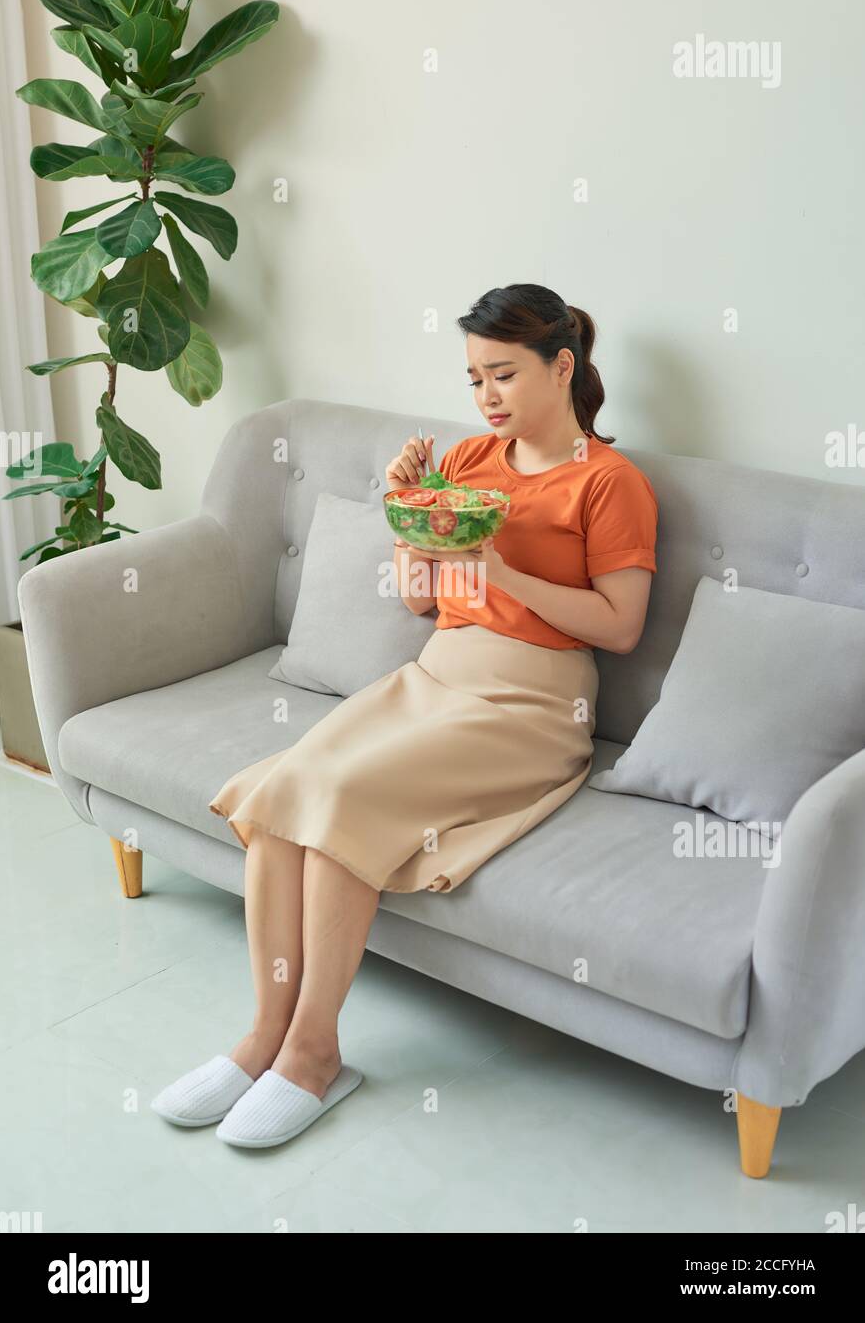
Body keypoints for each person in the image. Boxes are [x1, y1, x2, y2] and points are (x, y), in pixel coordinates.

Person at [151, 283, 659, 1149]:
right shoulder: (464, 464)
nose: (485, 397)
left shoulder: (609, 483)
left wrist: (499, 570)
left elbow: (619, 626)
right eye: (472, 380)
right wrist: (410, 521)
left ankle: (314, 1054)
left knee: (342, 797)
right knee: (285, 793)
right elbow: (425, 602)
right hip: (435, 677)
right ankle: (262, 1040)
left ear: (561, 365)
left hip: (534, 703)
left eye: (501, 374)